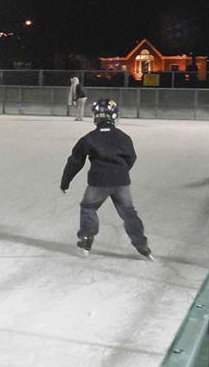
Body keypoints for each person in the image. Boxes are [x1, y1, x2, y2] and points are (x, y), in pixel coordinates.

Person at [60, 98, 152, 259]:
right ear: (114, 116)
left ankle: (87, 238)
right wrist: (121, 171)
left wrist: (65, 182)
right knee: (129, 213)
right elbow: (131, 157)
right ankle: (142, 246)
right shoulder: (123, 137)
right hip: (121, 182)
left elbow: (75, 161)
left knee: (88, 208)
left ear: (96, 116)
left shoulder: (89, 138)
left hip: (98, 182)